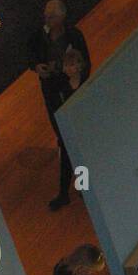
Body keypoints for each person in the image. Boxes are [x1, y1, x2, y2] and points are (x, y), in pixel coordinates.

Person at [28, 0, 91, 150]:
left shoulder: (74, 36)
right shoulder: (39, 35)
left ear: (62, 17)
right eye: (46, 16)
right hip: (50, 87)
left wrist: (75, 78)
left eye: (51, 17)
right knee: (57, 121)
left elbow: (86, 64)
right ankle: (64, 145)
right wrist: (36, 66)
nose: (47, 20)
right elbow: (29, 54)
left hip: (70, 89)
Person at [50, 46, 87, 209]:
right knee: (66, 162)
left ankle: (83, 190)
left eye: (75, 64)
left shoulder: (86, 81)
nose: (73, 68)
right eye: (69, 65)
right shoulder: (60, 85)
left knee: (82, 163)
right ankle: (63, 194)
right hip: (68, 130)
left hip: (82, 129)